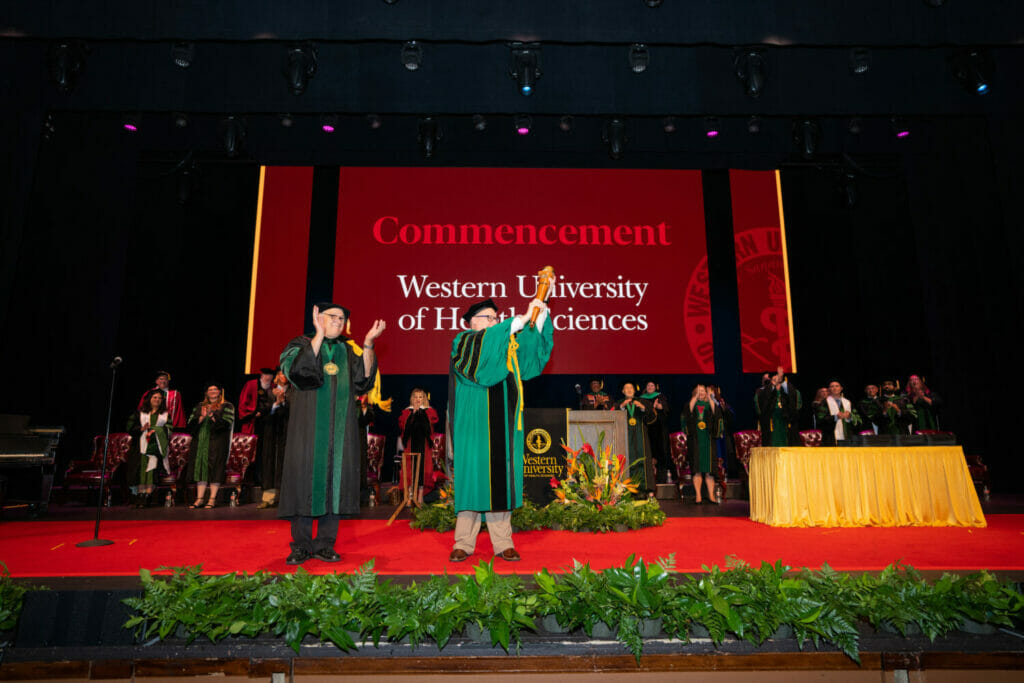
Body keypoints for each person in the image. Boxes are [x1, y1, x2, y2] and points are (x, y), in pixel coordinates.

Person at [448, 294, 554, 563]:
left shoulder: (505, 344)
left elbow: (531, 360)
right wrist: (515, 321)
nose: (495, 322)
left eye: (496, 318)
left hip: (503, 422)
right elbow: (482, 367)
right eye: (489, 318)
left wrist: (538, 318)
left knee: (500, 478)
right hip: (473, 422)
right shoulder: (463, 341)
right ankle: (463, 542)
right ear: (471, 322)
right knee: (473, 477)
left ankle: (503, 542)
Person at [278, 303, 386, 565]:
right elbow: (298, 372)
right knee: (304, 481)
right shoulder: (299, 343)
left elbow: (364, 379)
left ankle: (325, 544)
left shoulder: (346, 349)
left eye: (343, 318)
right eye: (333, 317)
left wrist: (369, 344)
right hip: (307, 432)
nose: (339, 321)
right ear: (318, 318)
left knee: (334, 485)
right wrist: (317, 334)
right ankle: (301, 546)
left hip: (340, 432)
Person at [185, 383, 235, 508]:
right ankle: (200, 499)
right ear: (206, 392)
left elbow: (227, 424)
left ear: (219, 391)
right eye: (210, 389)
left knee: (215, 469)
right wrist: (201, 418)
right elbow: (190, 424)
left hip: (217, 442)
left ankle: (212, 499)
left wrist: (213, 415)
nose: (213, 391)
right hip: (200, 442)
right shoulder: (199, 406)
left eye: (215, 389)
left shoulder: (227, 405)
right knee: (201, 469)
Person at [127, 389, 172, 508]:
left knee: (151, 470)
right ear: (149, 399)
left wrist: (156, 430)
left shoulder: (165, 415)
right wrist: (141, 429)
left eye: (159, 398)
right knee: (141, 470)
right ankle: (140, 495)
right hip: (140, 447)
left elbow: (169, 429)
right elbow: (129, 428)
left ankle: (148, 496)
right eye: (154, 397)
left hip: (156, 447)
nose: (157, 400)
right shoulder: (139, 413)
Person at [398, 387, 439, 505]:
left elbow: (428, 427)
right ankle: (410, 496)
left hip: (423, 446)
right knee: (410, 470)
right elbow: (405, 429)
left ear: (424, 399)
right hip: (411, 445)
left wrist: (420, 413)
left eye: (420, 397)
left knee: (422, 470)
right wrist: (413, 414)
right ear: (412, 398)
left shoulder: (429, 411)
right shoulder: (407, 412)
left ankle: (420, 496)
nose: (418, 399)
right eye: (415, 397)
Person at [681, 384, 722, 504]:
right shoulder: (692, 404)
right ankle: (698, 495)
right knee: (697, 469)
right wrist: (694, 397)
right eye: (699, 391)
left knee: (709, 470)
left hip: (708, 441)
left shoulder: (710, 404)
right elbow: (687, 412)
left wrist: (710, 398)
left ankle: (711, 495)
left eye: (703, 391)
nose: (701, 393)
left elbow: (717, 414)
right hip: (695, 440)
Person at [257, 372, 290, 509]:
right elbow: (262, 410)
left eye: (285, 374)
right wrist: (276, 403)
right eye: (280, 374)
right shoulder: (268, 392)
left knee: (285, 464)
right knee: (269, 464)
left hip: (287, 433)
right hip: (271, 431)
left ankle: (285, 499)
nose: (282, 377)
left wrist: (283, 402)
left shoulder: (294, 393)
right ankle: (268, 499)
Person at [617, 381, 656, 495]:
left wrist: (643, 408)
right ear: (623, 391)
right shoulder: (619, 403)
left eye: (631, 388)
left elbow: (652, 418)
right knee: (627, 460)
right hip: (625, 438)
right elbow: (611, 415)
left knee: (643, 460)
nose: (629, 390)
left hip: (641, 438)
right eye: (626, 388)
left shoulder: (643, 402)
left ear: (634, 391)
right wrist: (621, 407)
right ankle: (626, 488)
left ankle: (646, 488)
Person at [755, 367, 800, 446]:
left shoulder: (787, 389)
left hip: (785, 419)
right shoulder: (765, 391)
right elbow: (764, 403)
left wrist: (781, 379)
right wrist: (773, 385)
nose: (776, 381)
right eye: (773, 379)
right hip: (771, 421)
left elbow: (792, 397)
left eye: (778, 379)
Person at [640, 381, 672, 483]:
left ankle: (661, 479)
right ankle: (647, 480)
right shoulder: (641, 398)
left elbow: (666, 410)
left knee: (661, 453)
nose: (650, 387)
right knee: (647, 453)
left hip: (659, 430)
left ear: (655, 387)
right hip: (647, 429)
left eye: (652, 385)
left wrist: (659, 407)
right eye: (648, 385)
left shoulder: (660, 397)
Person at [815, 380, 860, 446]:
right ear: (829, 389)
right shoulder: (824, 403)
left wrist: (850, 416)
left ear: (841, 388)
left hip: (847, 436)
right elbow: (820, 420)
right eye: (832, 386)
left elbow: (859, 419)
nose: (834, 388)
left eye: (837, 386)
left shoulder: (848, 402)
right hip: (831, 437)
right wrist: (835, 417)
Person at [707, 384, 735, 478]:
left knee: (723, 454)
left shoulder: (721, 403)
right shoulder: (705, 404)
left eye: (710, 391)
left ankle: (724, 473)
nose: (708, 393)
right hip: (711, 435)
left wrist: (723, 408)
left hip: (722, 435)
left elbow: (730, 418)